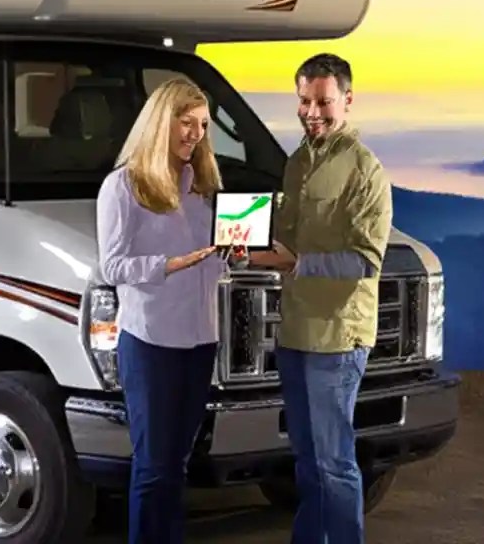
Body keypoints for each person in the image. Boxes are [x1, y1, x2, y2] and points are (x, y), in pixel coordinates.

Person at [250, 53, 393, 543]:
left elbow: (364, 262)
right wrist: (241, 245)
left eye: (324, 102)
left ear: (347, 101)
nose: (312, 111)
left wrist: (296, 264)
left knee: (335, 464)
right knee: (307, 464)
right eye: (305, 100)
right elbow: (285, 239)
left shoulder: (366, 171)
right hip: (294, 332)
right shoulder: (297, 164)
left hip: (337, 337)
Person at [94, 76, 228, 544]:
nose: (195, 133)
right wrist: (167, 265)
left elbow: (211, 258)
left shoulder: (204, 187)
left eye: (203, 125)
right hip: (151, 342)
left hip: (200, 340)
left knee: (178, 462)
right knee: (153, 466)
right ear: (160, 122)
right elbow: (111, 265)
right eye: (185, 122)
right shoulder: (123, 186)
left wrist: (231, 254)